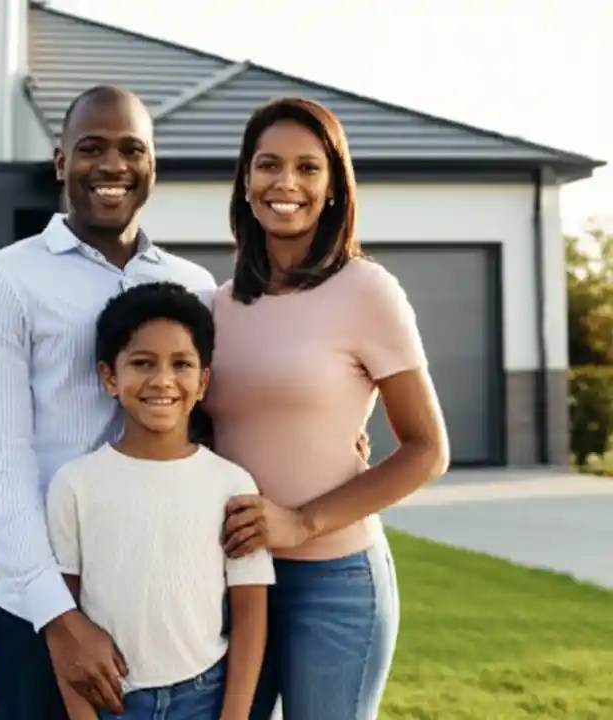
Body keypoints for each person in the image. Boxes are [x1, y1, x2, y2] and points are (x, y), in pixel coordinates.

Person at [0, 85, 217, 718]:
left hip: (164, 605)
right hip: (37, 608)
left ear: (153, 164)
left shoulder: (197, 287)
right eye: (91, 148)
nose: (112, 166)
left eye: (132, 149)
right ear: (59, 161)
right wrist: (59, 619)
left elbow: (214, 428)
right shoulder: (4, 280)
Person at [205, 97, 451, 719]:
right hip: (233, 580)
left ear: (335, 186)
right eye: (268, 165)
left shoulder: (367, 290)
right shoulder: (217, 306)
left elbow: (427, 449)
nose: (285, 183)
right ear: (245, 180)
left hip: (334, 583)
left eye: (308, 168)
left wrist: (304, 521)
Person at [45, 281, 275, 720]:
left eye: (181, 364)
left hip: (204, 696)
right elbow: (64, 619)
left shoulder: (232, 484)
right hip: (112, 701)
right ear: (110, 377)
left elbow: (250, 614)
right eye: (142, 363)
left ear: (203, 380)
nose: (163, 380)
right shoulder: (75, 485)